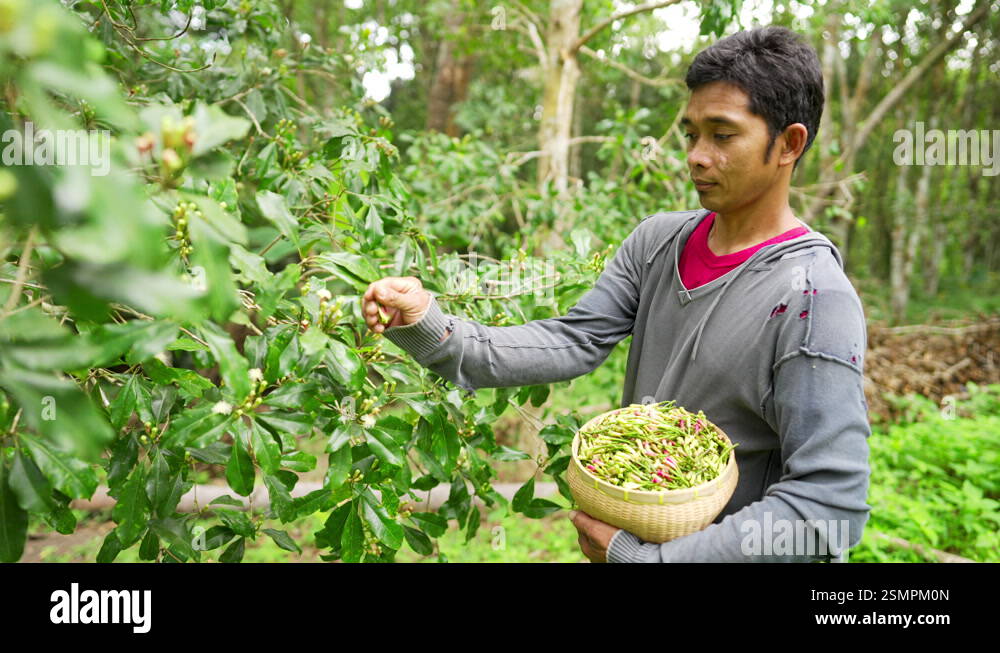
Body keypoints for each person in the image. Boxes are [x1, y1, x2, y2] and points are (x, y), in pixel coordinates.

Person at [362, 26, 871, 563]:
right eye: (691, 134)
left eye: (722, 136)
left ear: (789, 144)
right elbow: (574, 339)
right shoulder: (658, 242)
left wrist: (646, 561)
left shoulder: (815, 298)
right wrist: (429, 326)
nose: (696, 157)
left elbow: (829, 509)